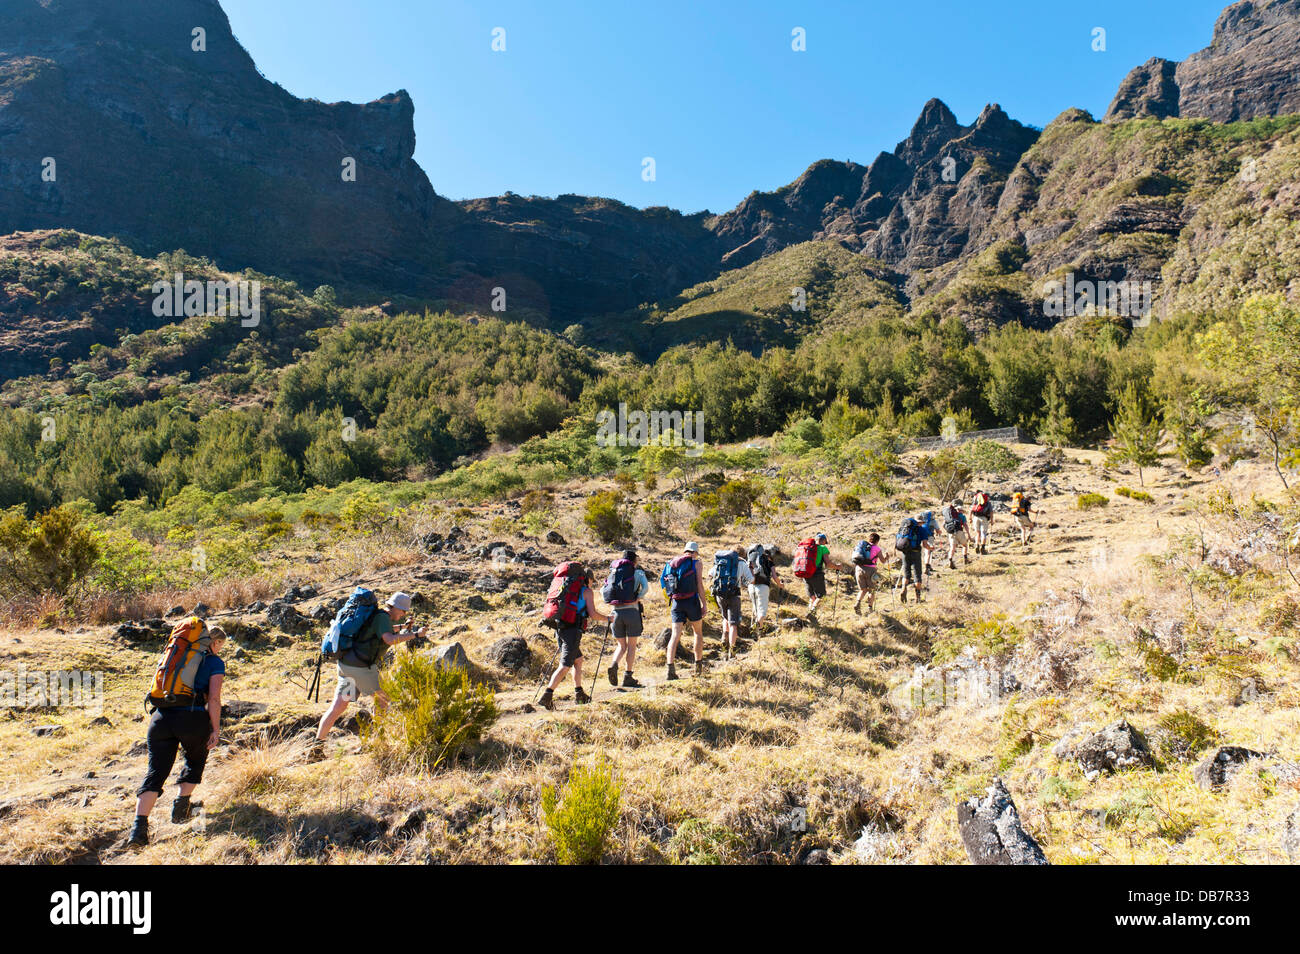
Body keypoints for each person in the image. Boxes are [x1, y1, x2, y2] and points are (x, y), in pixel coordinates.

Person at [129, 625, 227, 847]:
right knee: (195, 759)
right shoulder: (214, 662)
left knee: (155, 772)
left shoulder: (177, 656)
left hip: (160, 718)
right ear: (215, 643)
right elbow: (213, 699)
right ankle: (181, 807)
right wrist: (215, 729)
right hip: (192, 718)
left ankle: (138, 830)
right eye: (220, 644)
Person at [314, 592, 427, 751]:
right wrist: (415, 634)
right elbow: (389, 639)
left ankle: (316, 747)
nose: (404, 614)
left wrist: (403, 628)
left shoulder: (377, 615)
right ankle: (376, 743)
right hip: (360, 669)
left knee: (338, 707)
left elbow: (383, 631)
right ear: (396, 608)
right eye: (403, 611)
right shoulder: (382, 618)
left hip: (346, 666)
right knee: (383, 700)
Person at [540, 568, 611, 710]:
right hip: (572, 631)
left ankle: (579, 693)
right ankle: (547, 696)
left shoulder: (567, 589)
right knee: (565, 665)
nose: (592, 584)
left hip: (560, 628)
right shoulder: (586, 591)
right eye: (592, 581)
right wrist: (608, 618)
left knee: (578, 660)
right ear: (587, 579)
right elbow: (593, 614)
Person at [603, 550, 648, 688]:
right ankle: (628, 676)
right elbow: (645, 588)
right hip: (632, 611)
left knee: (621, 646)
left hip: (615, 613)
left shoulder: (614, 573)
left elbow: (602, 590)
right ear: (634, 561)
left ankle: (614, 665)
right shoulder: (638, 573)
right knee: (632, 647)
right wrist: (637, 598)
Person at [661, 542, 707, 679]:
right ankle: (698, 667)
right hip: (691, 601)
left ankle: (670, 669)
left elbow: (663, 584)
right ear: (696, 552)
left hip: (676, 603)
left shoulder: (671, 564)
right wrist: (704, 604)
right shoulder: (697, 563)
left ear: (685, 551)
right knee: (697, 633)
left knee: (675, 635)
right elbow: (699, 584)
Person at [709, 546, 753, 661]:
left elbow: (711, 574)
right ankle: (732, 651)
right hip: (734, 595)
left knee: (725, 618)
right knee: (733, 623)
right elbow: (751, 579)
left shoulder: (722, 561)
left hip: (720, 594)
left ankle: (724, 636)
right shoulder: (741, 563)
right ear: (742, 554)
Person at [800, 532, 843, 616]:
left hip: (805, 573)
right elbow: (828, 564)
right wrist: (837, 567)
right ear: (823, 541)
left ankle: (810, 614)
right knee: (821, 596)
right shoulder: (823, 548)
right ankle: (812, 610)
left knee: (812, 596)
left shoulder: (807, 547)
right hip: (816, 574)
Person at [746, 543, 779, 633]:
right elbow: (775, 577)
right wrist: (780, 585)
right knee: (762, 613)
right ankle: (755, 628)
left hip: (751, 586)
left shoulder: (751, 559)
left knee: (756, 610)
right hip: (763, 586)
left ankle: (757, 633)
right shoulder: (768, 561)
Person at [895, 516, 927, 603]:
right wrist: (930, 548)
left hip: (905, 552)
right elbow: (924, 544)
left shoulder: (906, 529)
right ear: (921, 522)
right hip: (916, 553)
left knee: (906, 574)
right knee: (917, 576)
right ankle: (918, 598)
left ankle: (903, 588)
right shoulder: (922, 530)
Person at [851, 533, 884, 615]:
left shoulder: (863, 547)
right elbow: (883, 561)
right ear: (877, 540)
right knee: (871, 590)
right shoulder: (876, 548)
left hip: (859, 569)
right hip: (870, 570)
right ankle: (870, 608)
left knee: (863, 590)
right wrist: (887, 557)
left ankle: (858, 603)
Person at [942, 498, 970, 569]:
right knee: (965, 545)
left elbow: (943, 524)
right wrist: (969, 534)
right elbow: (965, 525)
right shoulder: (962, 516)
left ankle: (950, 561)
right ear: (961, 510)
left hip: (951, 532)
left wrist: (948, 530)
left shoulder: (950, 516)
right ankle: (965, 559)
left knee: (952, 548)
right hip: (959, 532)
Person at [970, 489, 994, 554]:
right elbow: (991, 512)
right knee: (983, 533)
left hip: (976, 517)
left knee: (978, 533)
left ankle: (977, 545)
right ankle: (982, 548)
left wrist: (970, 518)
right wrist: (992, 520)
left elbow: (971, 509)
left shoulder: (977, 501)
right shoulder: (988, 503)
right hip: (984, 518)